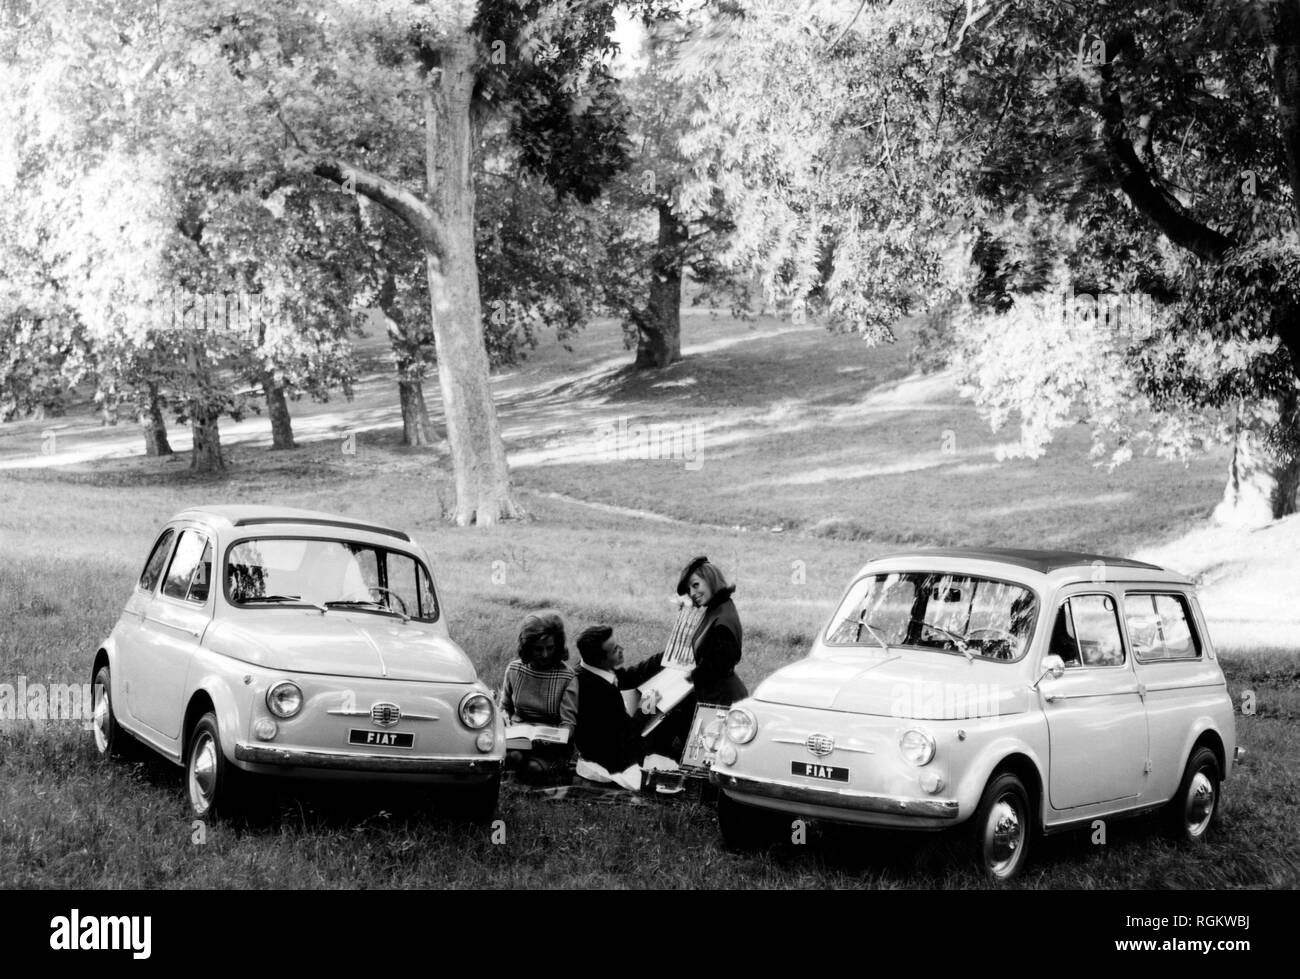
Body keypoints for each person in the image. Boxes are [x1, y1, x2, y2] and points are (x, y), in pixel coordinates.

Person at [652, 556, 749, 756]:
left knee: (707, 760)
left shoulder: (722, 618)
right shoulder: (718, 608)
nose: (693, 593)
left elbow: (717, 665)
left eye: (696, 585)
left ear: (710, 579)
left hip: (720, 702)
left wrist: (687, 677)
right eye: (690, 590)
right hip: (713, 696)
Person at [560, 625, 663, 776]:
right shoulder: (596, 692)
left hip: (609, 745)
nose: (621, 649)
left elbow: (630, 676)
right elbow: (627, 735)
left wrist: (665, 657)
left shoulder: (590, 668)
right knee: (667, 727)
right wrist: (646, 709)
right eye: (615, 649)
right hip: (612, 762)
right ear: (599, 659)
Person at [498, 611, 574, 782]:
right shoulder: (515, 670)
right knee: (513, 758)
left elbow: (568, 724)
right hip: (519, 740)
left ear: (558, 646)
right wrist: (505, 721)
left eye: (550, 648)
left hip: (551, 746)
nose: (545, 654)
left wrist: (552, 738)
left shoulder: (567, 677)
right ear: (527, 647)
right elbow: (504, 708)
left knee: (533, 769)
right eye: (538, 649)